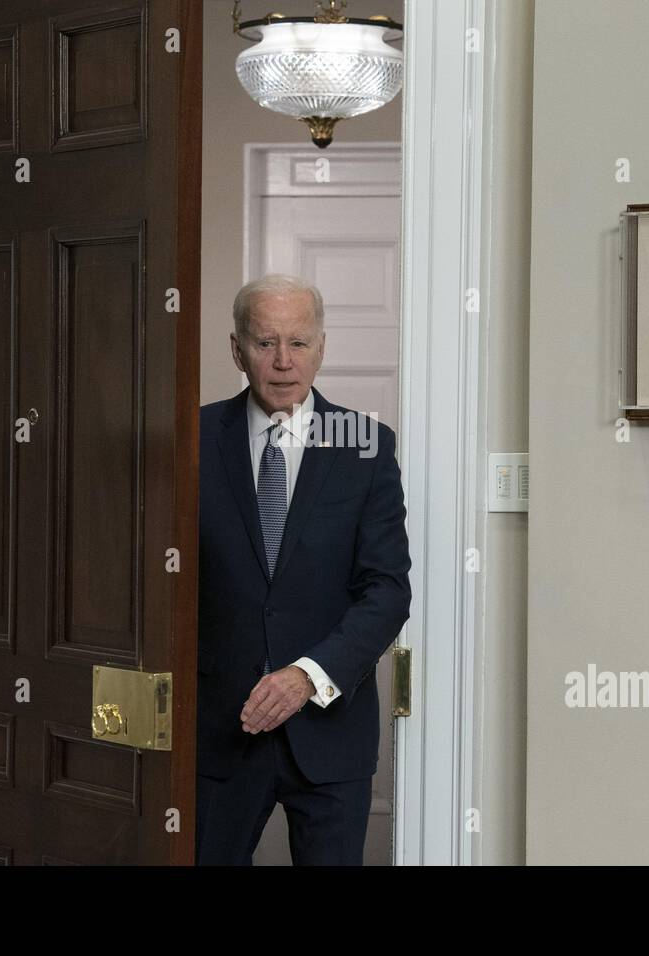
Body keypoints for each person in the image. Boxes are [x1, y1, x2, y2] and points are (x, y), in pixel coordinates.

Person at [195, 274, 412, 865]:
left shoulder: (366, 445)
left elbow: (387, 591)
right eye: (265, 343)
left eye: (299, 342)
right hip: (218, 729)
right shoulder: (191, 440)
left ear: (322, 347)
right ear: (236, 349)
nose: (284, 361)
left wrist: (307, 677)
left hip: (329, 732)